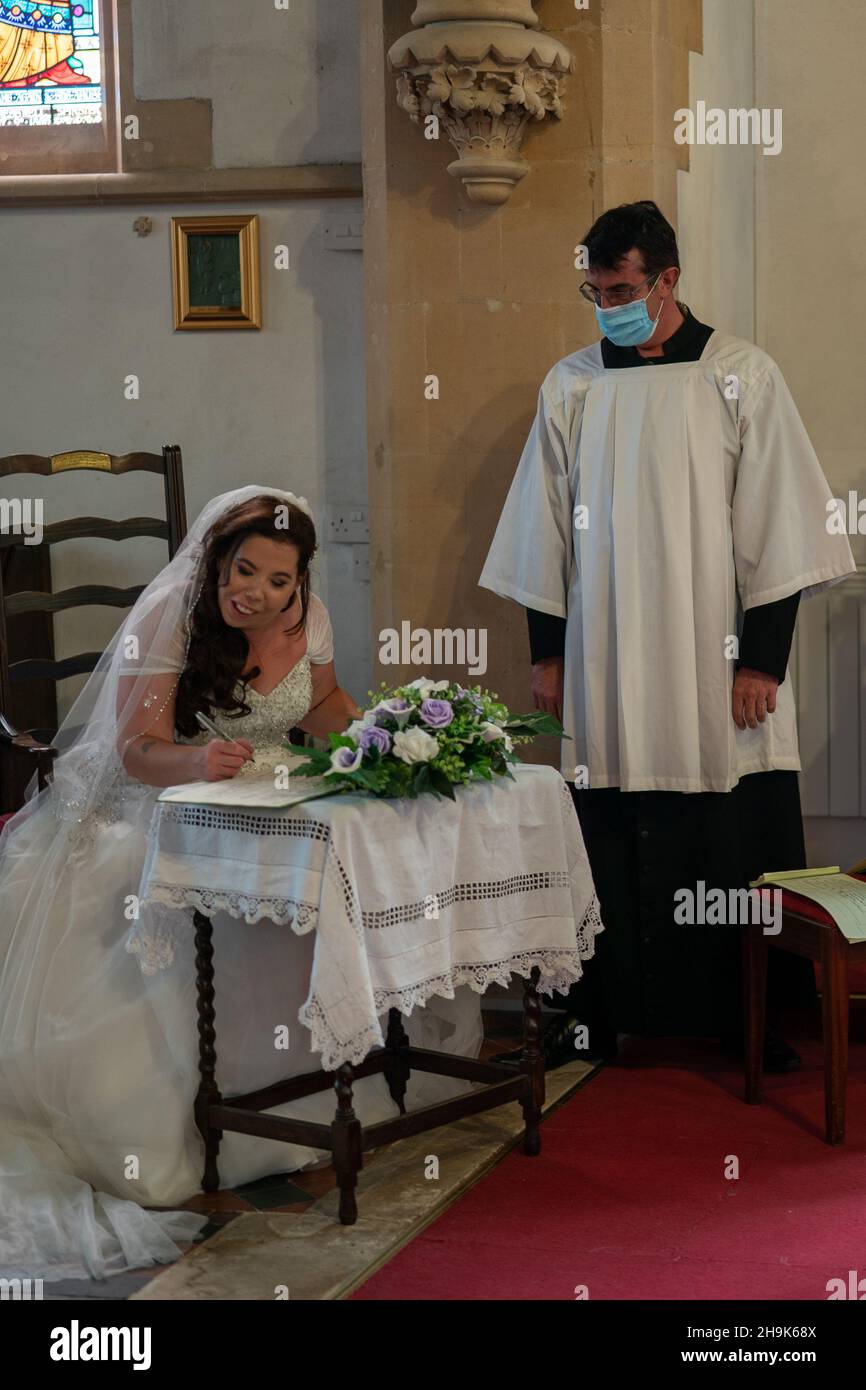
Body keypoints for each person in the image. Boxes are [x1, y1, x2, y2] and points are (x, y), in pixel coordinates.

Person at [0, 486, 482, 1282]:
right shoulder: (175, 621)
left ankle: (308, 1097)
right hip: (161, 810)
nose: (251, 591)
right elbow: (135, 751)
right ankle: (201, 1122)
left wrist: (378, 742)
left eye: (275, 580)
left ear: (301, 584)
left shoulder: (309, 620)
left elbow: (322, 701)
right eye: (241, 569)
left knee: (339, 861)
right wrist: (193, 760)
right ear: (217, 561)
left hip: (267, 797)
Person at [480, 201, 856, 1073]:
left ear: (667, 280)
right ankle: (600, 1017)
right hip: (604, 658)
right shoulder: (571, 385)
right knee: (604, 827)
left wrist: (761, 660)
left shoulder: (741, 376)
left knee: (729, 843)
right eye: (594, 289)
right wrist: (547, 653)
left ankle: (745, 1020)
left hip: (714, 658)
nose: (604, 304)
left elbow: (782, 530)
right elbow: (543, 535)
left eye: (619, 288)